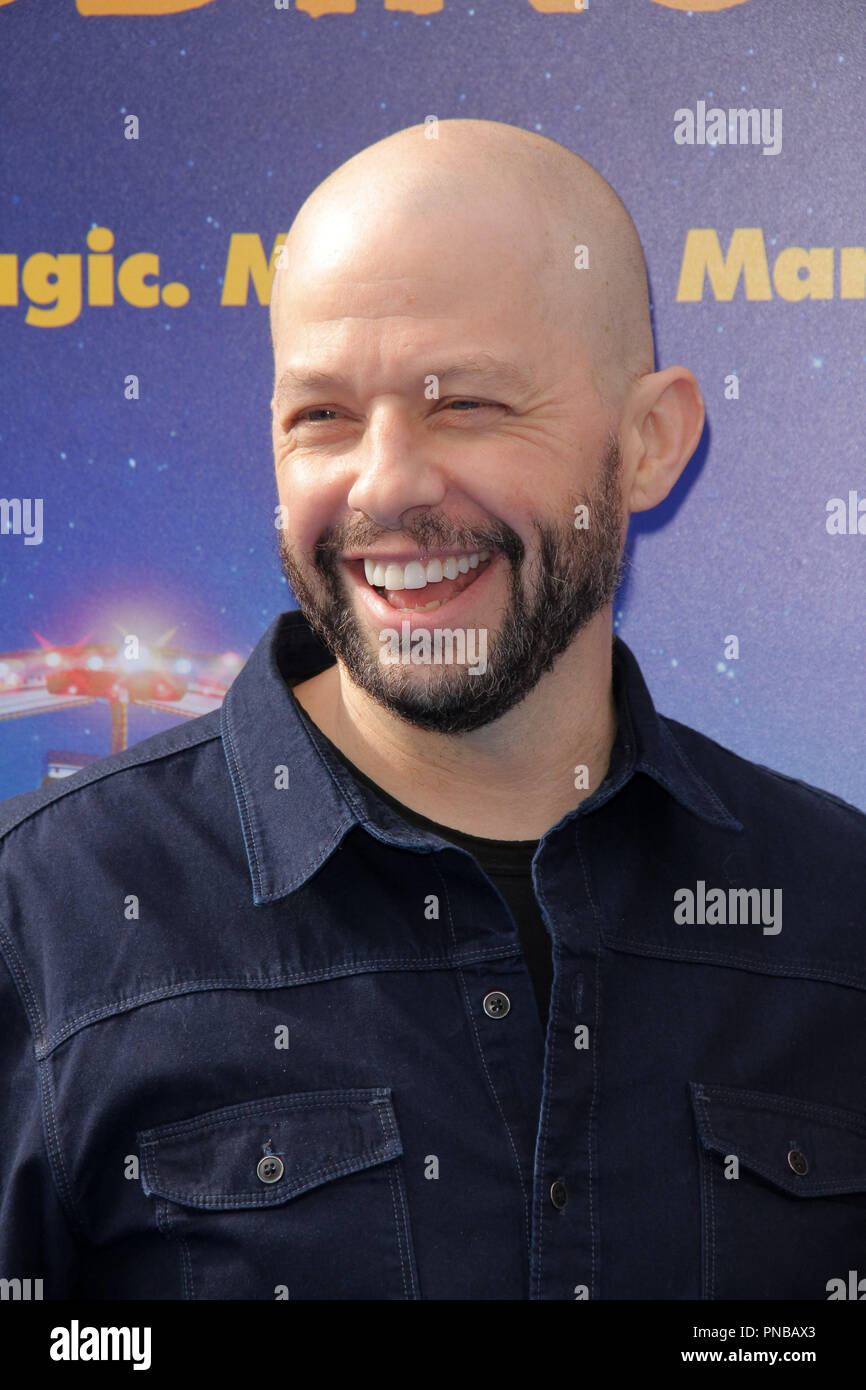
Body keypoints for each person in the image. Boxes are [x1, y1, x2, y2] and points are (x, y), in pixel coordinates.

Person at [1, 119, 864, 1302]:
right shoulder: (43, 920)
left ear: (648, 443)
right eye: (321, 417)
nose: (386, 482)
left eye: (464, 403)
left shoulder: (834, 911)